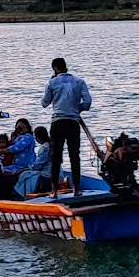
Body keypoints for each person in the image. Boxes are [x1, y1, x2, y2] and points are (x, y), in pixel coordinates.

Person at [40, 57, 92, 197]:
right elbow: (87, 102)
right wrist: (77, 108)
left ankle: (54, 191)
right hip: (73, 122)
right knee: (74, 155)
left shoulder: (51, 82)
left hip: (58, 122)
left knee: (56, 156)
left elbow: (44, 103)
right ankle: (76, 189)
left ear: (55, 68)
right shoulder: (79, 82)